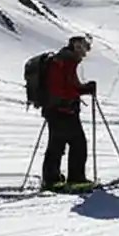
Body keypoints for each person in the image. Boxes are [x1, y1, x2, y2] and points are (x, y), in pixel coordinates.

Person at [41, 35, 97, 190]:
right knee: (78, 144)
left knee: (56, 144)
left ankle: (51, 179)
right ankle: (75, 178)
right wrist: (84, 90)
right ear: (76, 45)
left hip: (55, 110)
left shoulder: (61, 60)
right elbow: (65, 89)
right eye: (84, 47)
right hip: (64, 110)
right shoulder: (66, 62)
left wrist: (82, 89)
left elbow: (68, 86)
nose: (85, 52)